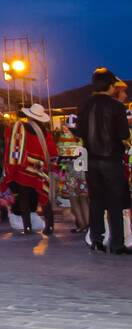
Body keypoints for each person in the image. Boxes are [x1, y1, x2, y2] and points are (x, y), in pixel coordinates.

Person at [76, 67, 131, 254]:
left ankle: (96, 240)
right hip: (111, 159)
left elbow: (81, 132)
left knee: (96, 201)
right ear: (110, 85)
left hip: (91, 159)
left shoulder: (83, 105)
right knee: (115, 202)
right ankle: (117, 244)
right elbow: (124, 133)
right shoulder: (116, 106)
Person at [3, 103, 56, 236]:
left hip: (24, 168)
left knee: (24, 197)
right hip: (40, 169)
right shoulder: (46, 132)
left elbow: (11, 140)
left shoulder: (21, 127)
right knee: (43, 195)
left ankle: (27, 227)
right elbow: (52, 151)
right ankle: (49, 225)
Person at [55, 116, 88, 235]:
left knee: (74, 199)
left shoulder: (62, 139)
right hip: (84, 172)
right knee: (84, 198)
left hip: (70, 173)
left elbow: (60, 160)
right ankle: (88, 224)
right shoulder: (84, 137)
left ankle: (81, 224)